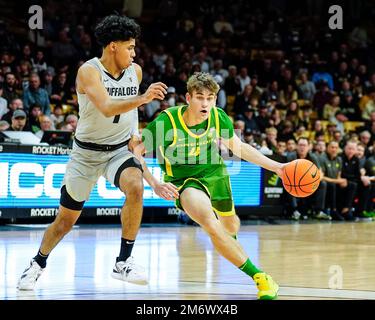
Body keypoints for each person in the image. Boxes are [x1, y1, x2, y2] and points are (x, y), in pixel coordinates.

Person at [17, 14, 175, 290]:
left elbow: (130, 119)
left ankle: (123, 261)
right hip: (85, 155)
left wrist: (148, 170)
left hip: (118, 151)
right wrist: (145, 97)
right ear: (113, 45)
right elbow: (107, 106)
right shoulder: (88, 71)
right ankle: (37, 263)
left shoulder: (134, 72)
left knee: (135, 187)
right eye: (130, 47)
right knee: (65, 221)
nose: (134, 53)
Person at [139, 72, 286, 300]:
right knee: (211, 225)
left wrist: (277, 167)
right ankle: (261, 277)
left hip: (215, 174)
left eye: (210, 98)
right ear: (188, 98)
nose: (205, 102)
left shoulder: (218, 117)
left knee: (230, 226)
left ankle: (231, 247)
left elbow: (240, 148)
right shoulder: (166, 121)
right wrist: (154, 183)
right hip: (183, 181)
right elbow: (136, 151)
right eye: (200, 97)